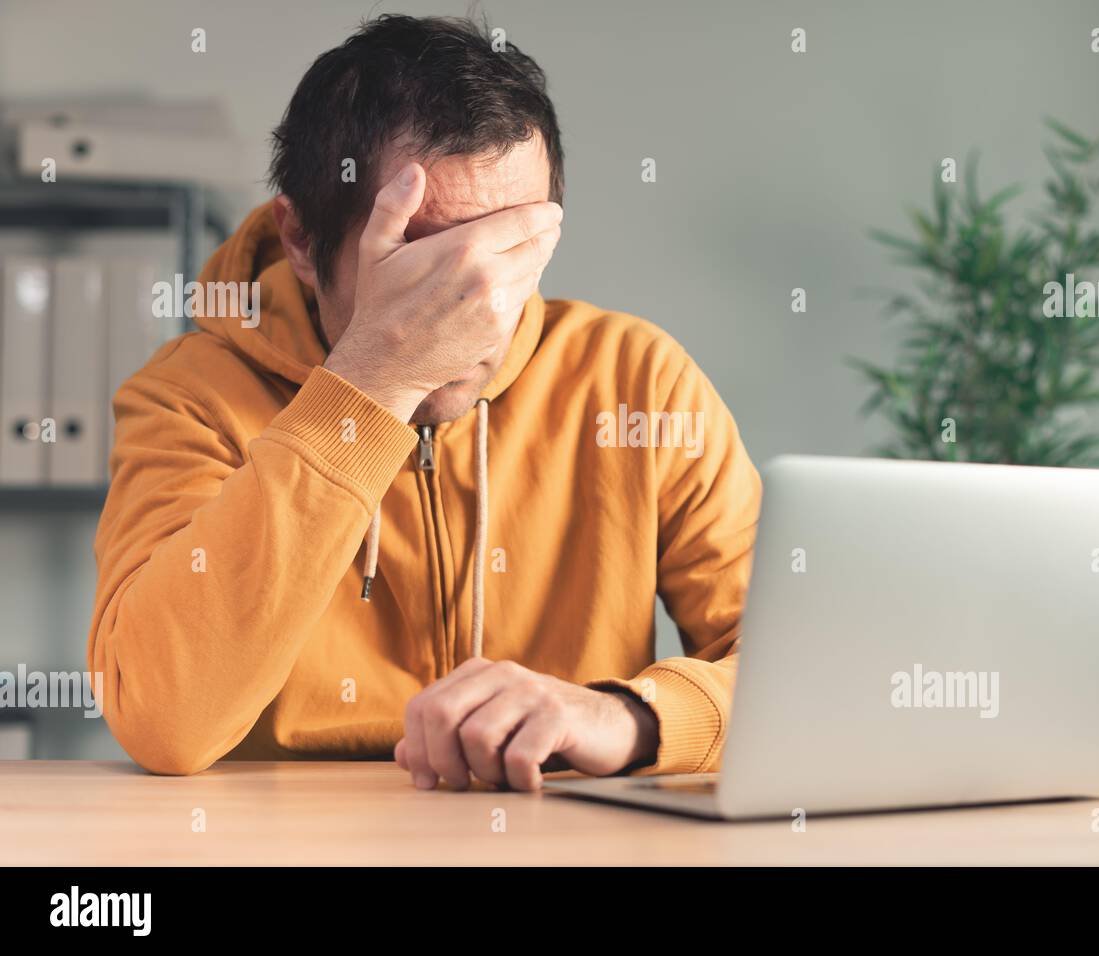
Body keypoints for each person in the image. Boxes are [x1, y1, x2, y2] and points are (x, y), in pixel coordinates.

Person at [89, 15, 760, 791]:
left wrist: (630, 717)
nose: (479, 307)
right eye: (426, 262)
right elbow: (162, 718)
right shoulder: (190, 397)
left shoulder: (636, 382)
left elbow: (806, 673)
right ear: (302, 240)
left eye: (511, 252)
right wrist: (373, 383)